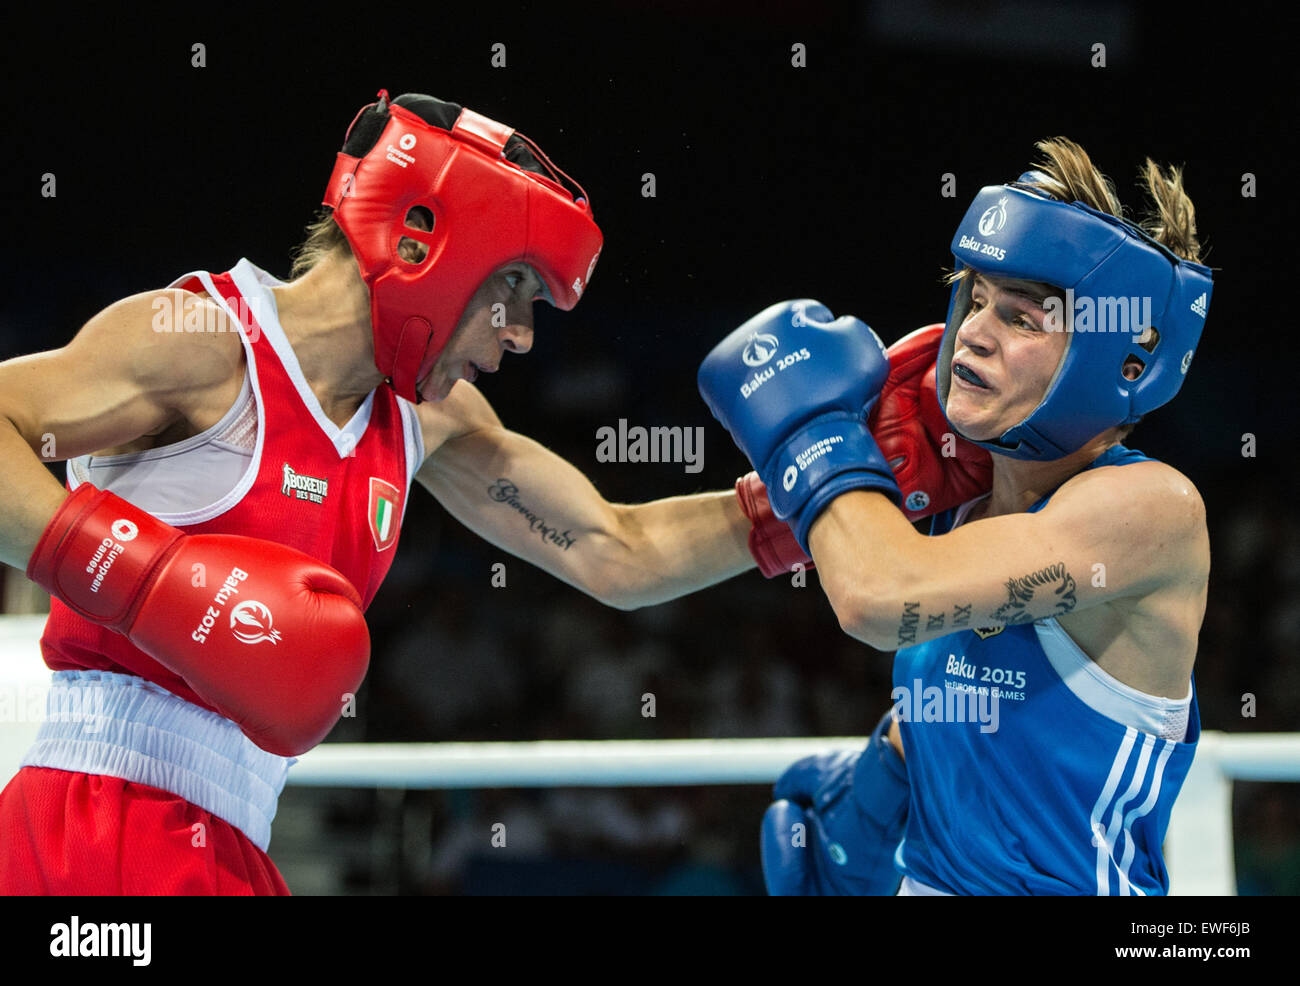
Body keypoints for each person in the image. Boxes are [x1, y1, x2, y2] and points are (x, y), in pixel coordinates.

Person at [0, 90, 985, 895]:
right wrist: (142, 577)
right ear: (425, 243)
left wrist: (804, 500)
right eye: (513, 291)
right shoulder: (201, 344)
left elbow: (614, 546)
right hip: (94, 814)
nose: (518, 335)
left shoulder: (424, 418)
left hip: (226, 835)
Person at [700, 137, 1214, 896]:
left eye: (1022, 318)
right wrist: (884, 775)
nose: (973, 332)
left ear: (1125, 360)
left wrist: (814, 437)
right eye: (975, 299)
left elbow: (880, 599)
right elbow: (622, 556)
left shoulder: (1153, 510)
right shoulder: (948, 503)